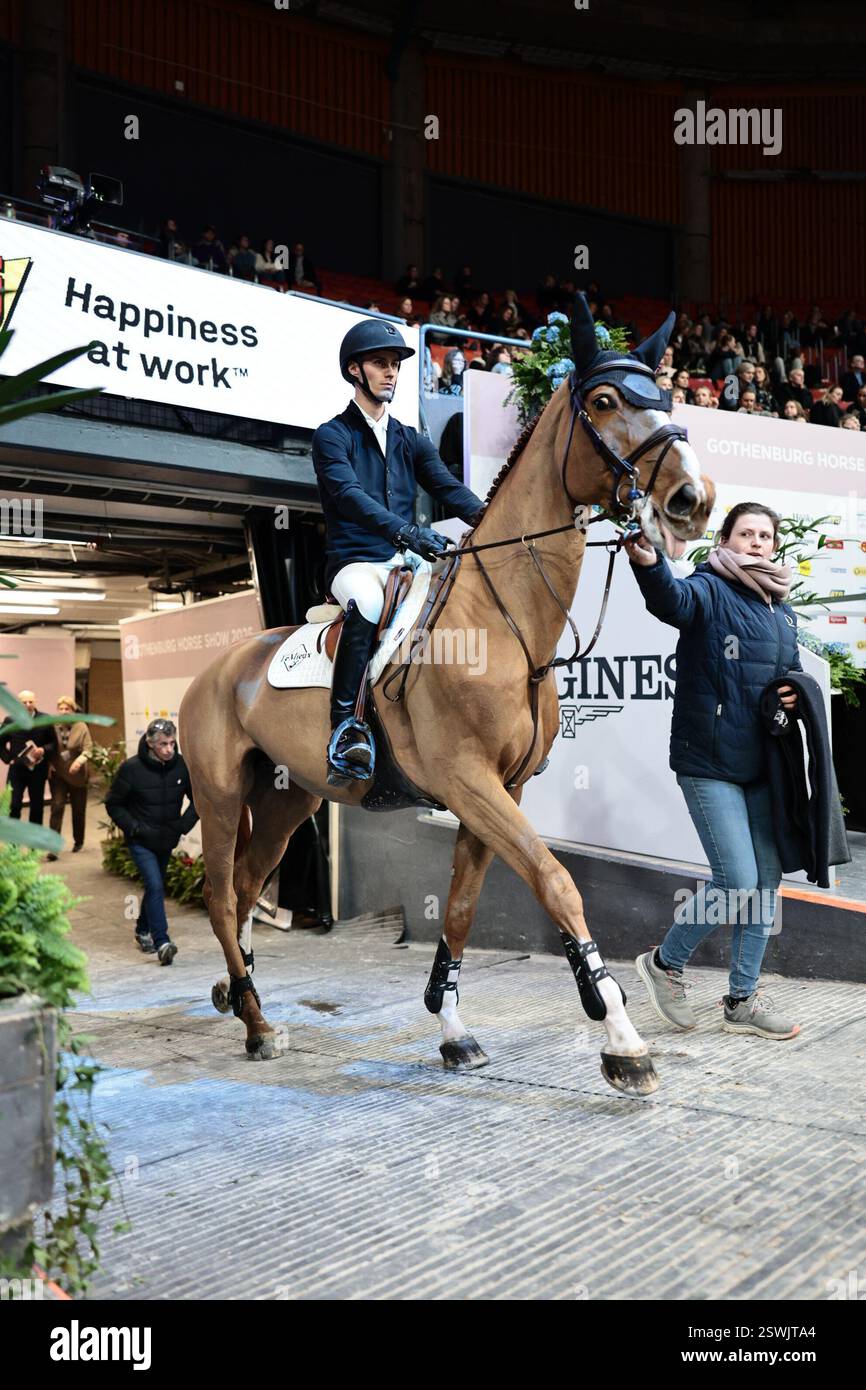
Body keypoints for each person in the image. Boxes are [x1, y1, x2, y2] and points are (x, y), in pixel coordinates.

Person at [624, 503, 805, 1040]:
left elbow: (785, 675)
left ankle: (742, 1001)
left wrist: (795, 692)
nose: (756, 542)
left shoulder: (781, 607)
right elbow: (670, 600)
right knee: (738, 879)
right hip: (709, 762)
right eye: (745, 533)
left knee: (766, 885)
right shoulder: (709, 587)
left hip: (761, 766)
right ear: (726, 539)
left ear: (774, 545)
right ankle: (664, 963)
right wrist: (650, 563)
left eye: (765, 535)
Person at [311, 319, 485, 783]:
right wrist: (409, 533)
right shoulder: (332, 435)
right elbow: (349, 496)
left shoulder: (410, 438)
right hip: (354, 561)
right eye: (379, 364)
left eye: (394, 365)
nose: (390, 373)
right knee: (368, 603)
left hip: (407, 560)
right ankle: (345, 727)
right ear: (355, 370)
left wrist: (490, 518)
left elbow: (447, 486)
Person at [104, 718, 198, 964]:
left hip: (166, 840)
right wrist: (134, 828)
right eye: (163, 744)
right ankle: (162, 941)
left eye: (172, 743)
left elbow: (198, 801)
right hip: (141, 841)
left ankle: (142, 929)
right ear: (150, 744)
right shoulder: (131, 769)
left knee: (154, 886)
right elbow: (113, 804)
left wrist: (182, 826)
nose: (169, 749)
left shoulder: (181, 767)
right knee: (156, 885)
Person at [46, 695, 92, 860]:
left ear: (73, 710)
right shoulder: (52, 725)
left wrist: (79, 762)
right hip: (58, 773)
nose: (64, 712)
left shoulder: (81, 726)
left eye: (67, 709)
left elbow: (88, 749)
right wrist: (49, 763)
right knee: (57, 806)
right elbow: (48, 746)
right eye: (61, 709)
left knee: (78, 810)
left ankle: (78, 841)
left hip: (78, 774)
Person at [0, 690, 55, 825]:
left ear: (35, 702)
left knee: (37, 807)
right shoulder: (10, 721)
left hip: (37, 770)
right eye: (24, 702)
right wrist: (8, 759)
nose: (28, 704)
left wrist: (44, 749)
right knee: (13, 805)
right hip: (17, 771)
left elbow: (54, 743)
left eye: (30, 701)